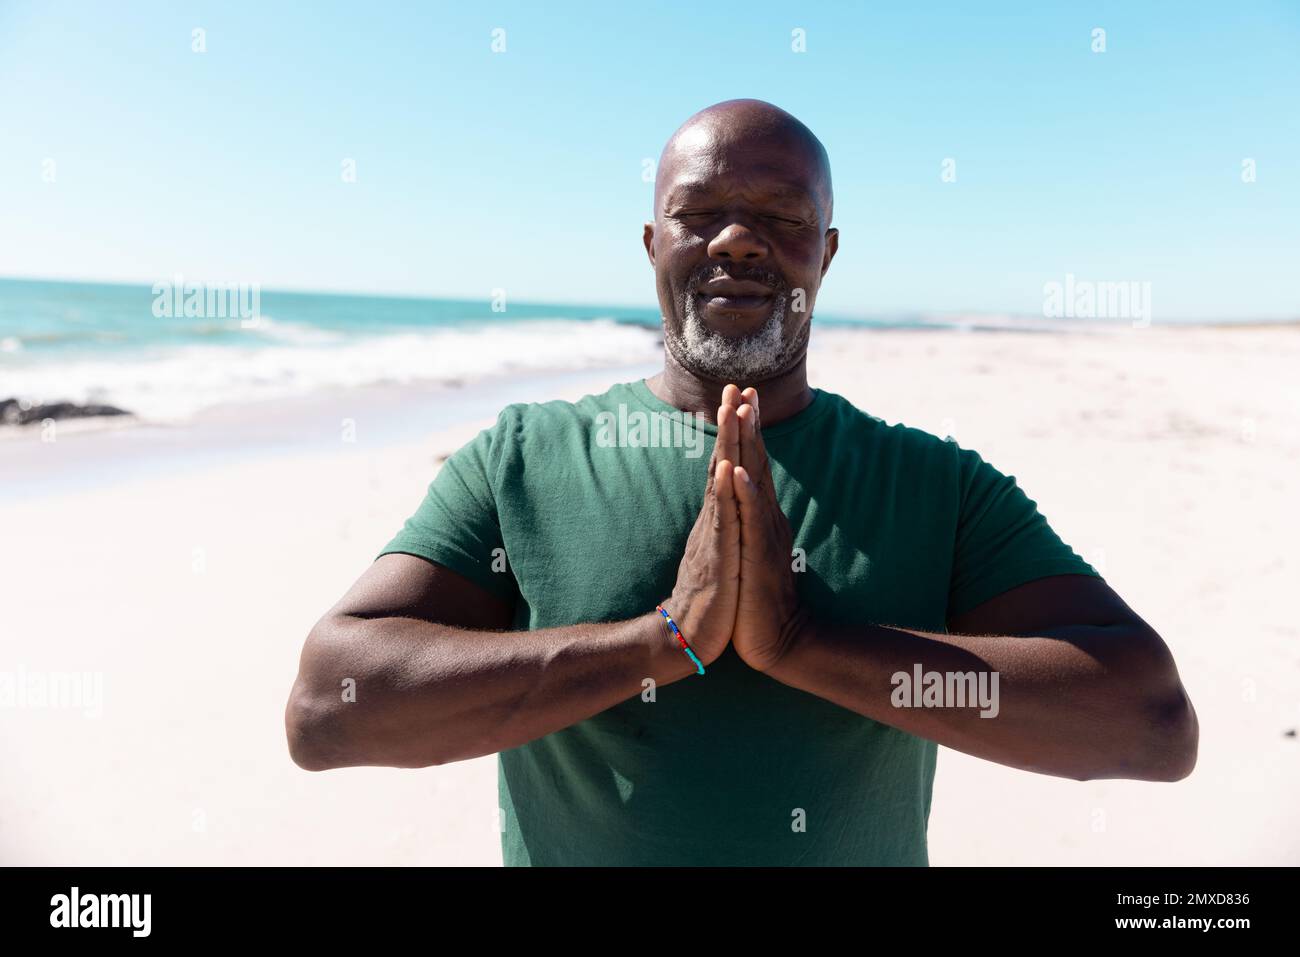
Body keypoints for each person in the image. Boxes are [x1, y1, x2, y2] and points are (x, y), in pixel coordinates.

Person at [284, 98, 1198, 866]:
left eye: (782, 216)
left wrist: (803, 644)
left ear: (826, 252)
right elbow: (330, 710)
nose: (738, 240)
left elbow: (1150, 723)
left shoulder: (934, 485)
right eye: (699, 211)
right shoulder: (523, 458)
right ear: (652, 243)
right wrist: (657, 643)